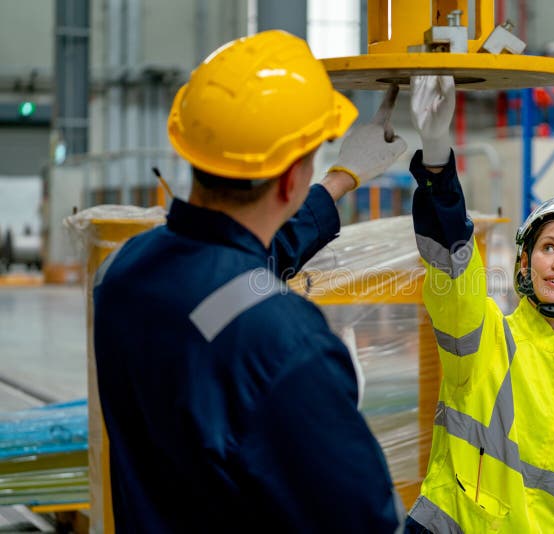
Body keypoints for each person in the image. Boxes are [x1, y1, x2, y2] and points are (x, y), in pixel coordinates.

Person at [93, 30, 408, 533]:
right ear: (289, 182)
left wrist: (339, 180)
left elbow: (227, 279)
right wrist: (321, 386)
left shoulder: (124, 272)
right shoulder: (285, 342)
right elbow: (366, 518)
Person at [404, 75, 554, 533]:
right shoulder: (483, 341)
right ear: (526, 259)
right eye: (549, 248)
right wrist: (438, 160)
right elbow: (454, 272)